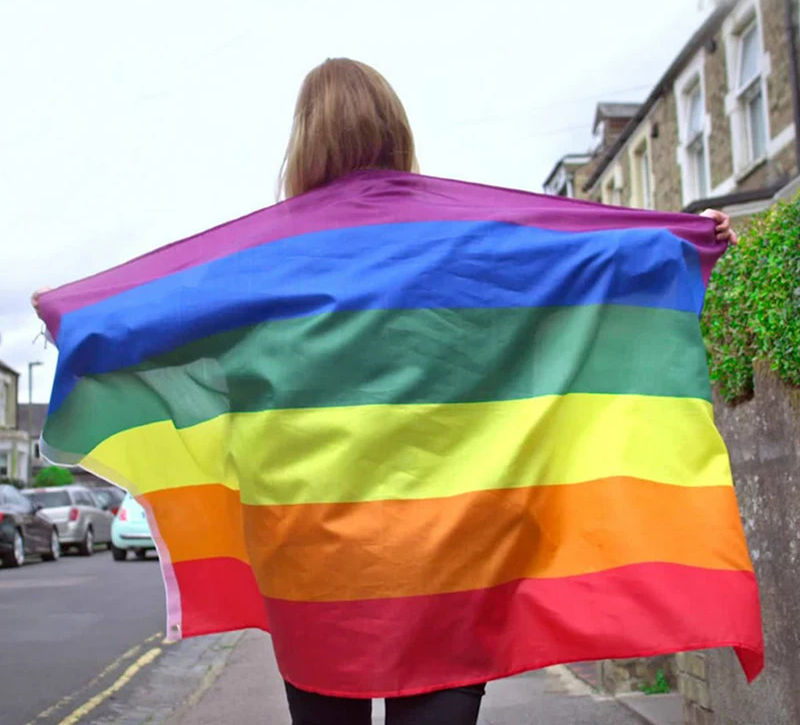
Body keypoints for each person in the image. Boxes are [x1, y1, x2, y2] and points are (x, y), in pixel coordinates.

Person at [32, 58, 737, 725]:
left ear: (303, 142)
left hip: (311, 562)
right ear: (397, 131)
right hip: (451, 552)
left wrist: (78, 312)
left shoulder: (258, 262)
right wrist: (684, 241)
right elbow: (578, 253)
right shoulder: (466, 240)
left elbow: (156, 310)